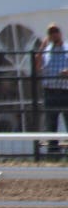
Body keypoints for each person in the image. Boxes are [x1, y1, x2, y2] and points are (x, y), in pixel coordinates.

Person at [36, 22, 68, 154]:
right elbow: (37, 67)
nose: (54, 35)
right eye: (51, 33)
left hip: (66, 92)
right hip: (50, 92)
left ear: (60, 33)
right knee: (51, 124)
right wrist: (41, 47)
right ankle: (53, 153)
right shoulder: (46, 51)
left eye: (56, 32)